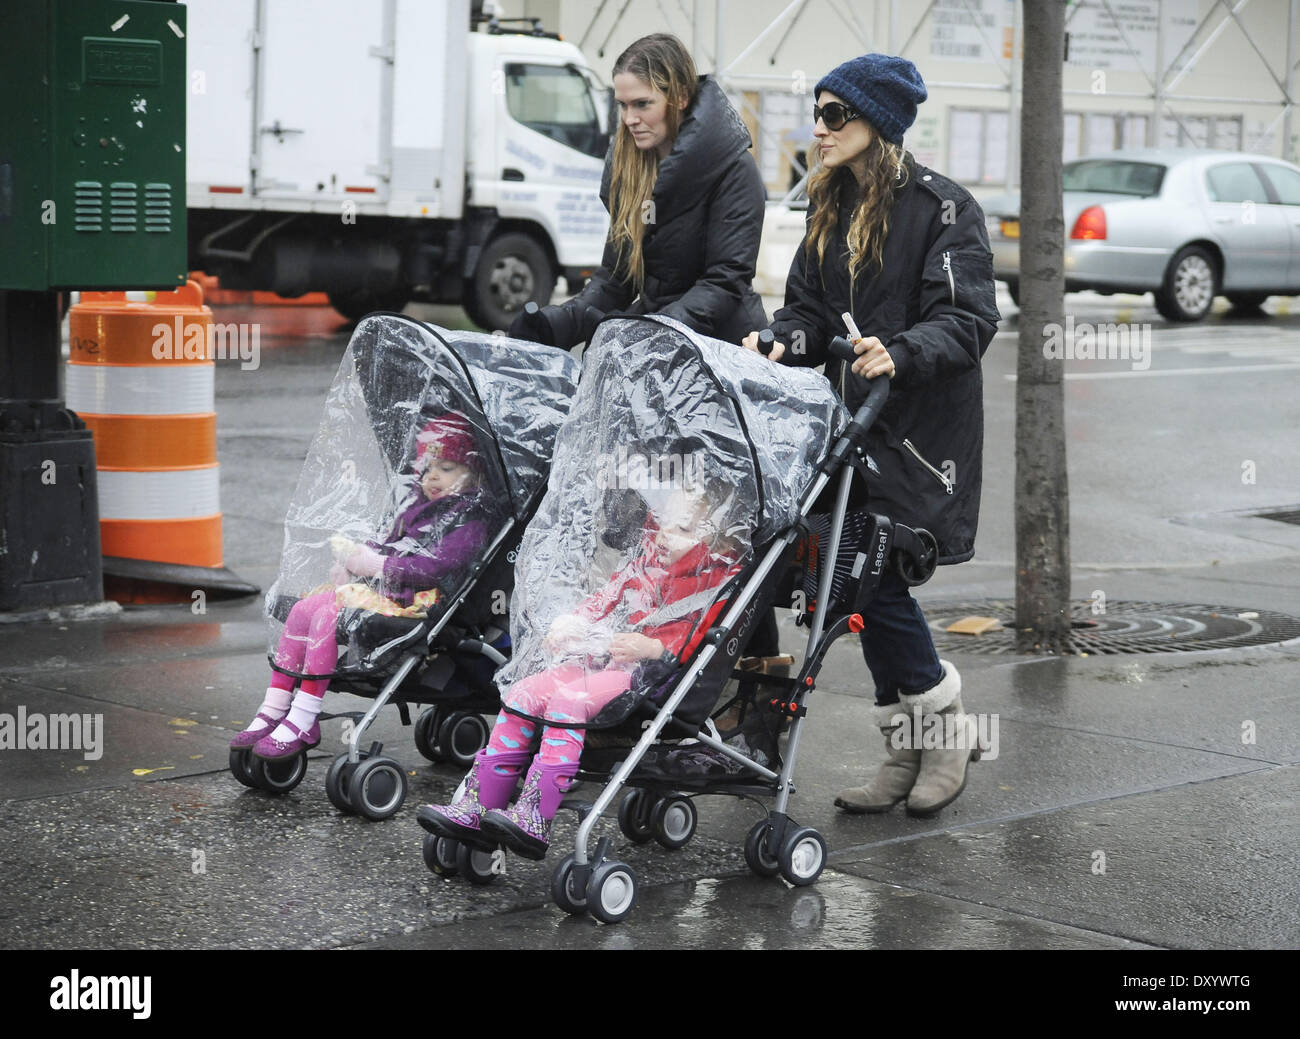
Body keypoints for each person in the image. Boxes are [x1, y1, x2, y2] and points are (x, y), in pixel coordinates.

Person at [740, 54, 1001, 816]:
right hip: (849, 429)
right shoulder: (829, 208)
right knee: (852, 579)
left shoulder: (943, 210)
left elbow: (968, 318)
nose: (818, 130)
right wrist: (782, 339)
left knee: (874, 577)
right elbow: (806, 313)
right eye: (816, 114)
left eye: (834, 116)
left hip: (919, 435)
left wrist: (902, 349)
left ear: (877, 125)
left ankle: (938, 736)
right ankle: (913, 742)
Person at [417, 483, 747, 859]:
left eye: (684, 530)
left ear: (715, 540)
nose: (668, 536)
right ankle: (478, 805)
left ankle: (536, 815)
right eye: (665, 524)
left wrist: (654, 648)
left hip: (646, 676)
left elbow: (701, 631)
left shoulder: (713, 577)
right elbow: (607, 597)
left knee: (568, 702)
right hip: (603, 657)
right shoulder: (647, 561)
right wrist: (572, 622)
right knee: (523, 693)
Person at [232, 413, 496, 760]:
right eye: (428, 467)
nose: (432, 476)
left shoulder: (469, 520)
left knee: (326, 616)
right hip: (386, 592)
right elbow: (389, 542)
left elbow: (438, 568)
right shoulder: (417, 507)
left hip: (417, 603)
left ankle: (304, 717)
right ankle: (276, 706)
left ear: (473, 471)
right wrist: (354, 562)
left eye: (446, 467)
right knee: (300, 610)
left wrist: (376, 565)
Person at [507, 32, 767, 349]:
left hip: (722, 348)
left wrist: (647, 332)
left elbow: (725, 282)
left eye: (643, 104)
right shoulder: (629, 166)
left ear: (681, 97)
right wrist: (559, 323)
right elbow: (617, 278)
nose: (630, 119)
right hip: (655, 339)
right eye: (623, 105)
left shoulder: (734, 169)